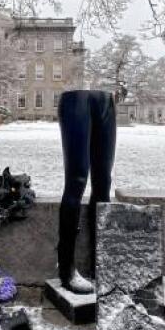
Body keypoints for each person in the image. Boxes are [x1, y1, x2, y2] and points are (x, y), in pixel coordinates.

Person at [56, 90, 117, 293]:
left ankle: (99, 262)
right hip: (75, 101)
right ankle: (66, 268)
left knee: (103, 182)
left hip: (106, 101)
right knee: (77, 180)